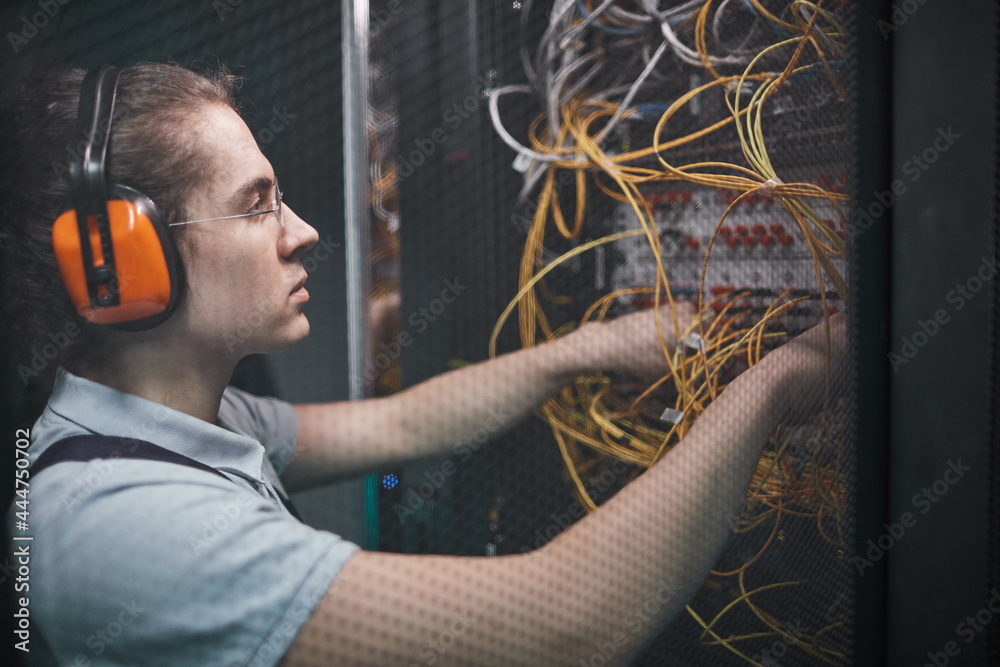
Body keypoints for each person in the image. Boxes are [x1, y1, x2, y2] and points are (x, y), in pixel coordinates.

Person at [1, 63, 848, 666]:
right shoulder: (111, 522)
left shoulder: (182, 423)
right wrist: (771, 383)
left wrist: (589, 348)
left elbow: (408, 422)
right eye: (258, 206)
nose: (304, 232)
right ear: (118, 262)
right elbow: (569, 626)